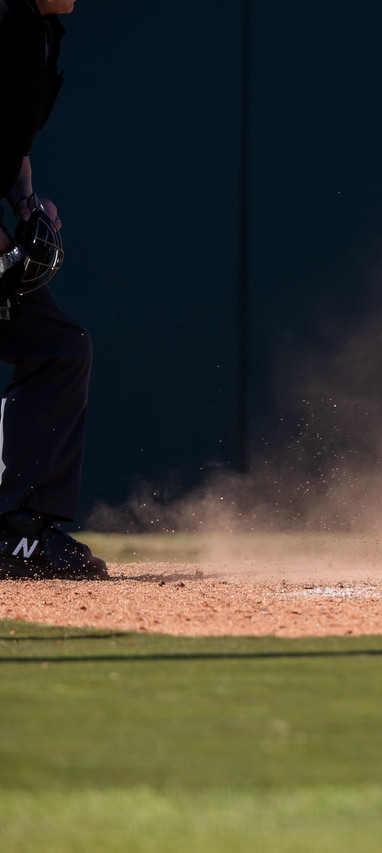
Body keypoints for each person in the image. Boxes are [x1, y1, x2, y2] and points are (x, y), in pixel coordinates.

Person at [0, 0, 105, 580]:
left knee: (61, 348)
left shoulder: (41, 31)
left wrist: (24, 202)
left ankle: (20, 531)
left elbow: (12, 144)